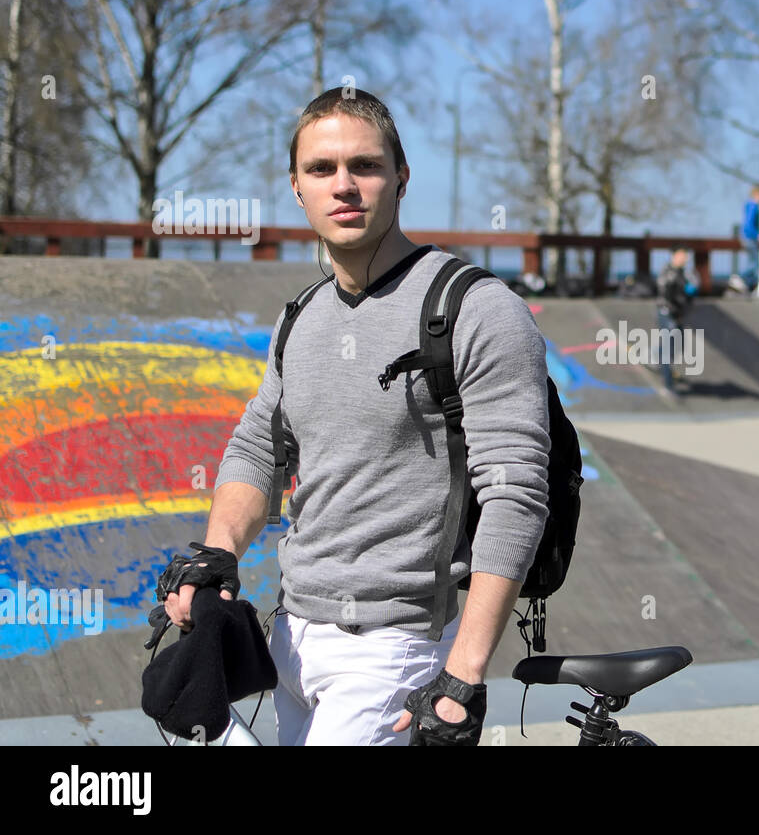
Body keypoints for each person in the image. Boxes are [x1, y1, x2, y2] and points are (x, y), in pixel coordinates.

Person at [159, 87, 552, 746]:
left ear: (401, 176)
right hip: (291, 640)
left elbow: (515, 490)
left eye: (364, 166)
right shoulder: (300, 317)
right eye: (321, 169)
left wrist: (464, 674)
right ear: (296, 187)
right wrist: (218, 554)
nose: (344, 185)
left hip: (394, 651)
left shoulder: (474, 308)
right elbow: (260, 446)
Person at [656, 245, 699, 391]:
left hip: (679, 313)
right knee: (668, 347)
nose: (684, 259)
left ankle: (655, 357)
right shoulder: (667, 272)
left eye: (686, 256)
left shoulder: (686, 273)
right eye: (681, 255)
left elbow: (693, 289)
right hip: (667, 312)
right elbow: (665, 292)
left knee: (677, 346)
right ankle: (667, 384)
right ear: (674, 255)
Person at [731, 185, 759, 297]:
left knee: (753, 263)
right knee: (754, 264)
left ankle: (747, 285)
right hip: (750, 238)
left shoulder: (749, 206)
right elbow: (749, 225)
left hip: (747, 237)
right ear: (757, 195)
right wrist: (758, 235)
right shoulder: (753, 206)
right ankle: (740, 278)